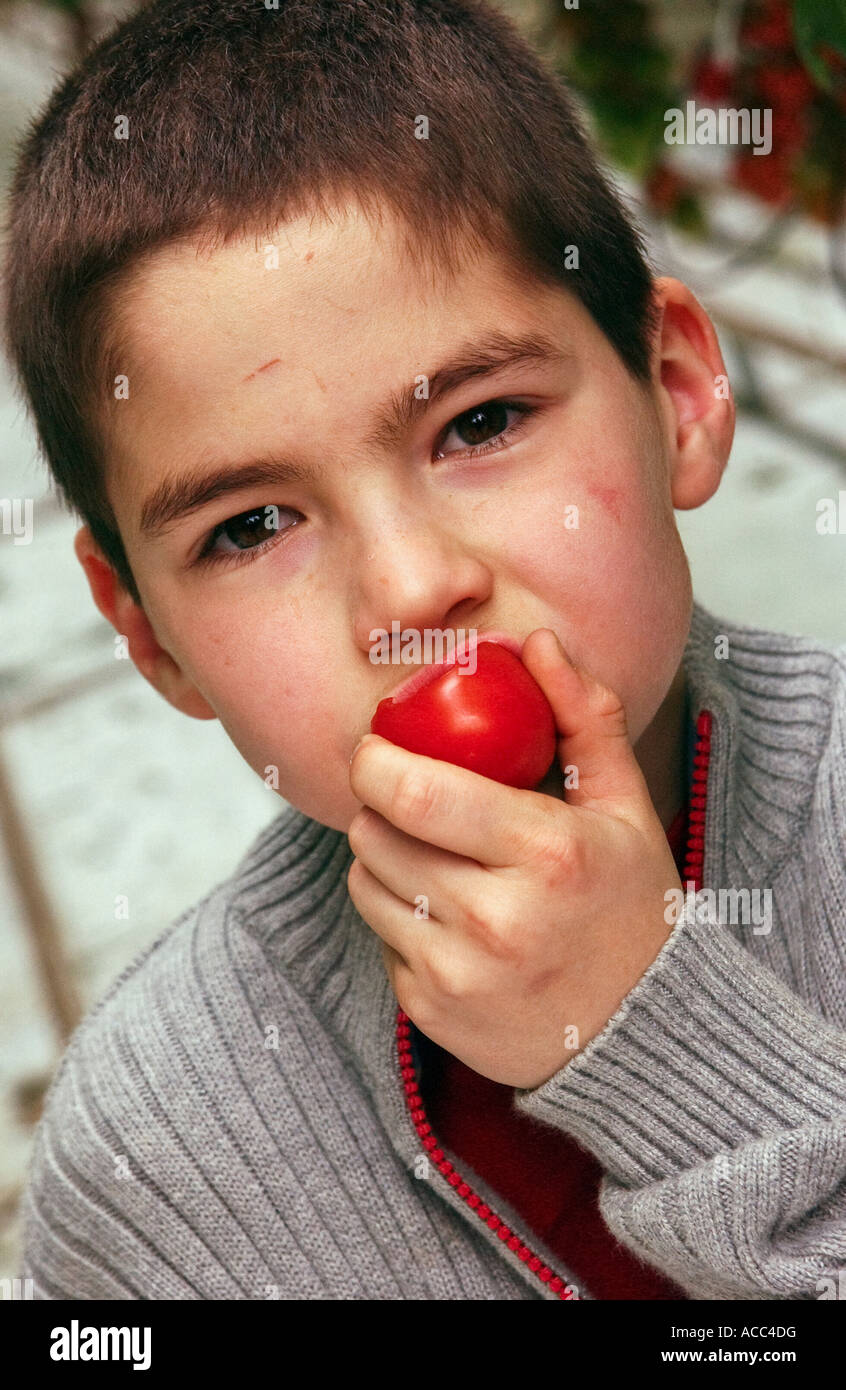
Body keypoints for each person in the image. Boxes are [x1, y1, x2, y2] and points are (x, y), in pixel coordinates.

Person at [4, 0, 845, 1301]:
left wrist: (662, 1045)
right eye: (253, 525)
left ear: (675, 391)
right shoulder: (155, 1161)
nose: (408, 591)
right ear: (148, 637)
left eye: (482, 419)